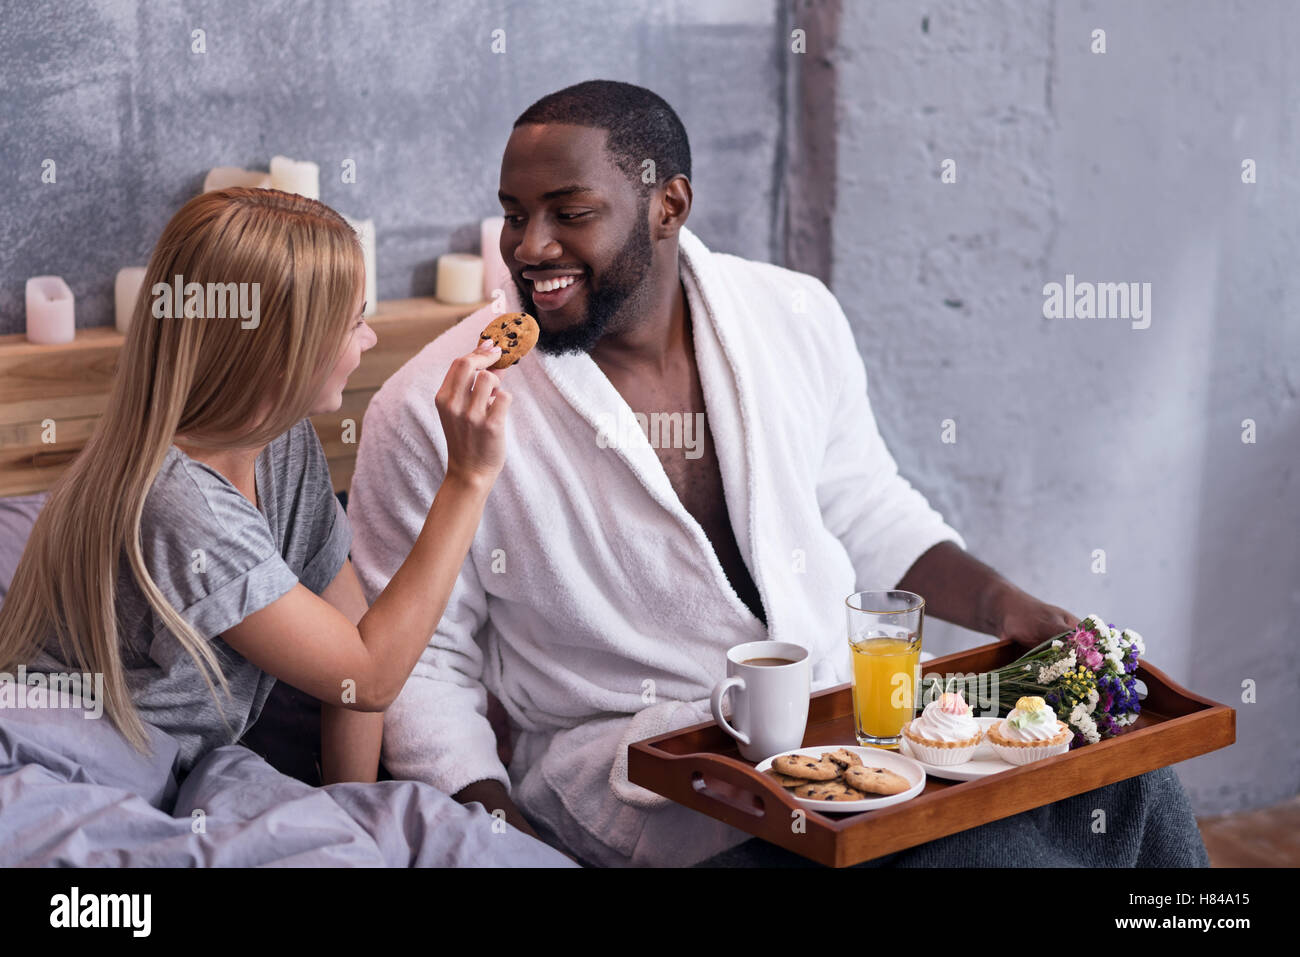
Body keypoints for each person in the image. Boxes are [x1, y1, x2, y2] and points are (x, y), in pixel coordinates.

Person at [347, 80, 1209, 867]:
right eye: (513, 214)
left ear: (667, 205)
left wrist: (1005, 606)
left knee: (1132, 782)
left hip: (843, 733)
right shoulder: (435, 403)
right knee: (1000, 861)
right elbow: (425, 667)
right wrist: (506, 838)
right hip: (648, 786)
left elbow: (865, 506)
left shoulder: (791, 316)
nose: (529, 249)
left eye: (568, 213)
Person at [0, 188, 522, 795]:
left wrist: (353, 807)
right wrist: (467, 479)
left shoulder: (281, 443)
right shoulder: (181, 507)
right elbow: (375, 674)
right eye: (354, 321)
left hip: (166, 766)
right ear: (281, 350)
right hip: (73, 769)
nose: (370, 339)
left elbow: (358, 661)